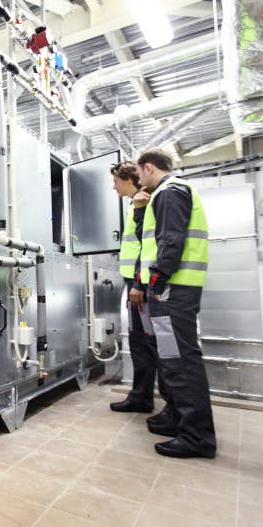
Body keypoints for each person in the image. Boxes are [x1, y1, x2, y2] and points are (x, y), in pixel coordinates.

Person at [133, 149, 216, 459]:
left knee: (180, 360)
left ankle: (197, 436)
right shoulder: (169, 193)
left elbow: (171, 240)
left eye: (139, 173)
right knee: (171, 357)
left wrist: (157, 280)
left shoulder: (170, 192)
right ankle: (180, 419)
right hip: (173, 287)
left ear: (148, 168)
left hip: (173, 288)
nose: (138, 179)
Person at [108, 162, 172, 416]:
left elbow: (147, 248)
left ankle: (169, 405)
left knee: (152, 343)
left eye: (116, 181)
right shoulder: (137, 204)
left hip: (141, 285)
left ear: (129, 179)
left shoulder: (145, 203)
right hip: (136, 283)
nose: (113, 186)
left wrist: (138, 284)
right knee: (140, 342)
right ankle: (141, 396)